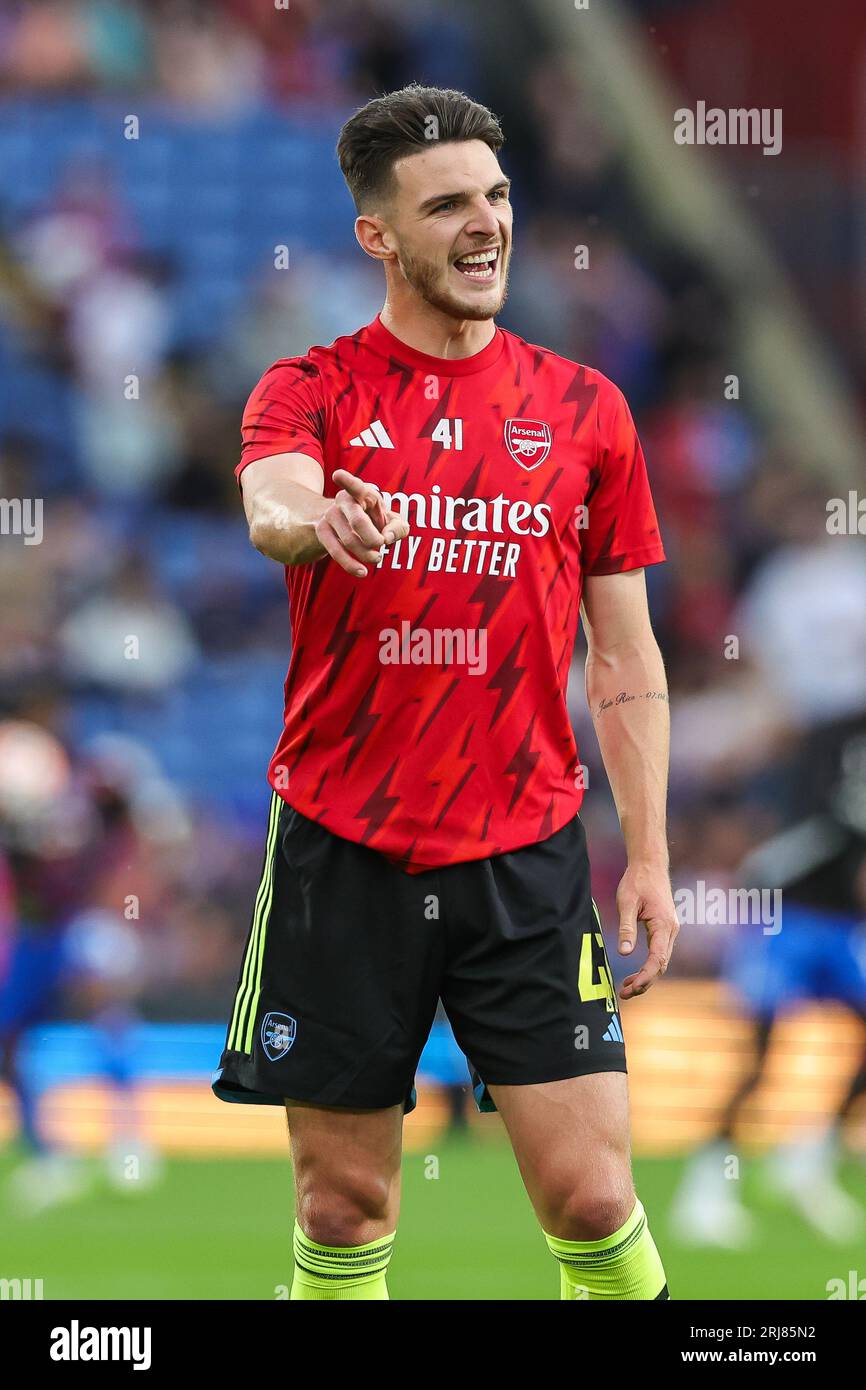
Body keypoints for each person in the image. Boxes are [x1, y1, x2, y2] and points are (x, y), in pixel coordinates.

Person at [212, 84, 677, 1300]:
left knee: (591, 1197)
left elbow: (621, 652)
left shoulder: (586, 412)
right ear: (378, 235)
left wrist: (649, 855)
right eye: (448, 205)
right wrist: (316, 519)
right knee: (343, 1201)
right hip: (342, 845)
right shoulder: (309, 386)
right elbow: (270, 501)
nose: (486, 225)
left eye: (497, 195)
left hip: (524, 850)